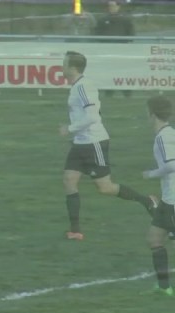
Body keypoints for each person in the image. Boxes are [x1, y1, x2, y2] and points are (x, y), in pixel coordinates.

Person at [59, 51, 156, 240]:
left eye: (64, 63)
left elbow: (92, 117)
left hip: (94, 142)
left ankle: (147, 201)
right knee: (69, 180)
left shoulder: (83, 87)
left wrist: (69, 129)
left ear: (73, 67)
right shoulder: (76, 86)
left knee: (105, 187)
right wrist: (75, 134)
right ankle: (75, 231)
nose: (62, 67)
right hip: (80, 143)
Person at [143, 95, 175, 296]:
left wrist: (151, 174)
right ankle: (164, 287)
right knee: (154, 238)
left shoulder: (163, 137)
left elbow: (171, 165)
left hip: (173, 200)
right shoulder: (169, 133)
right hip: (168, 199)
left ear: (153, 114)